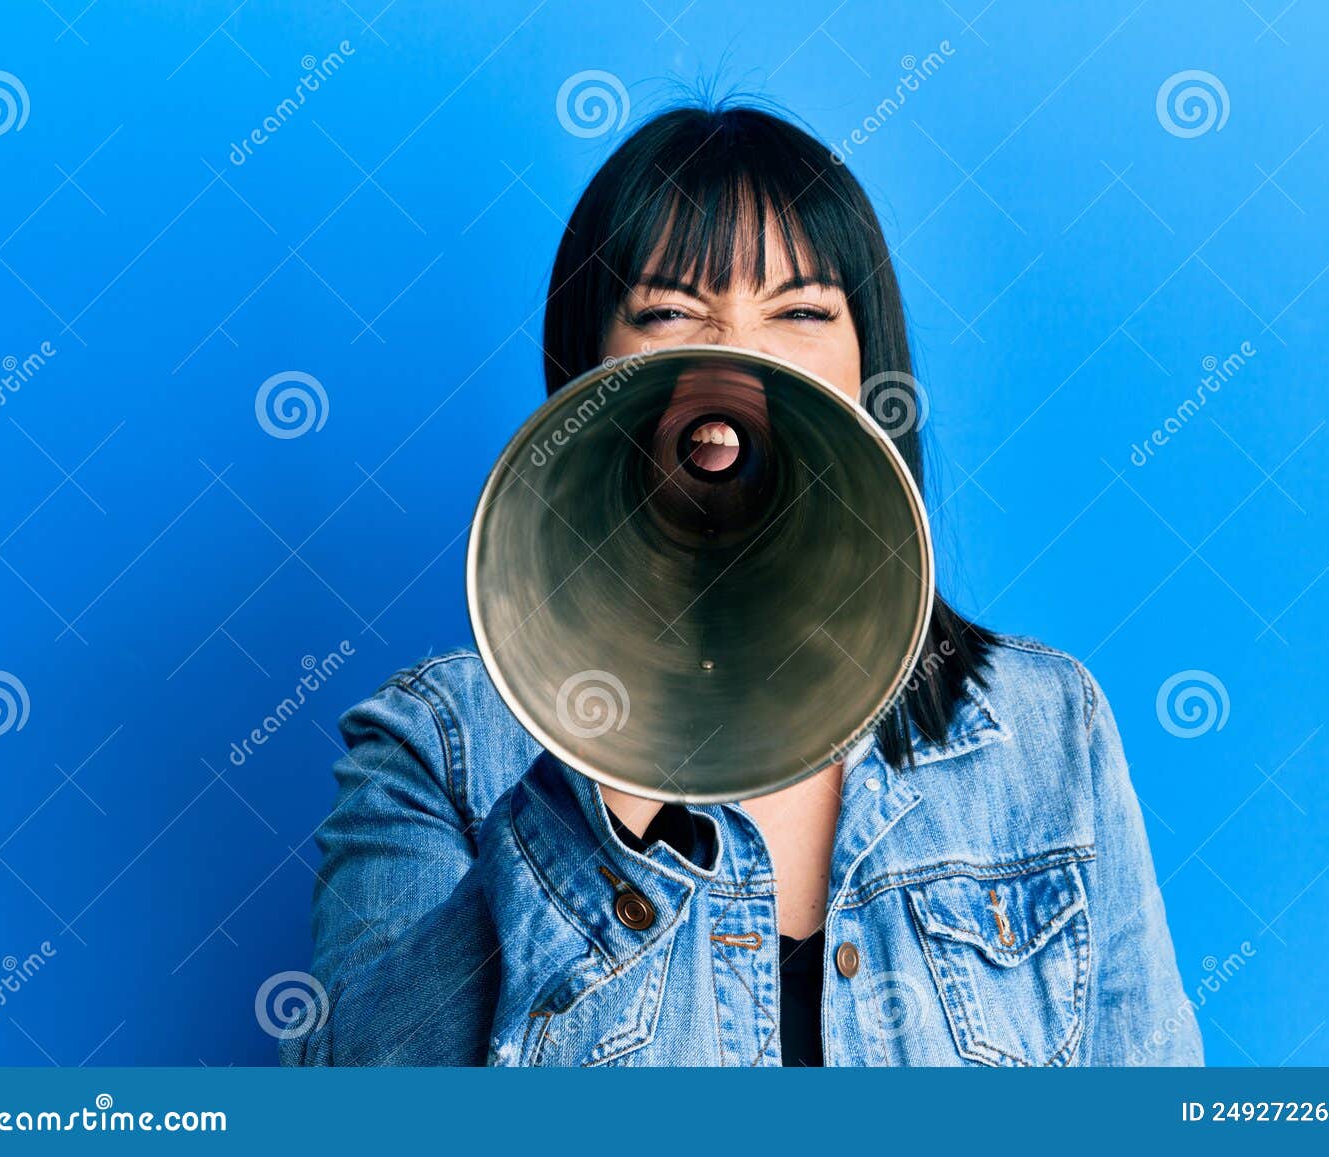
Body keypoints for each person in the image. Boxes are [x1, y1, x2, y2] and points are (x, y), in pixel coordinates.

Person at [281, 103, 1201, 1067]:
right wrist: (601, 763)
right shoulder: (439, 745)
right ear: (585, 367)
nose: (735, 360)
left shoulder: (1049, 732)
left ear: (865, 365)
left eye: (801, 312)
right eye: (671, 313)